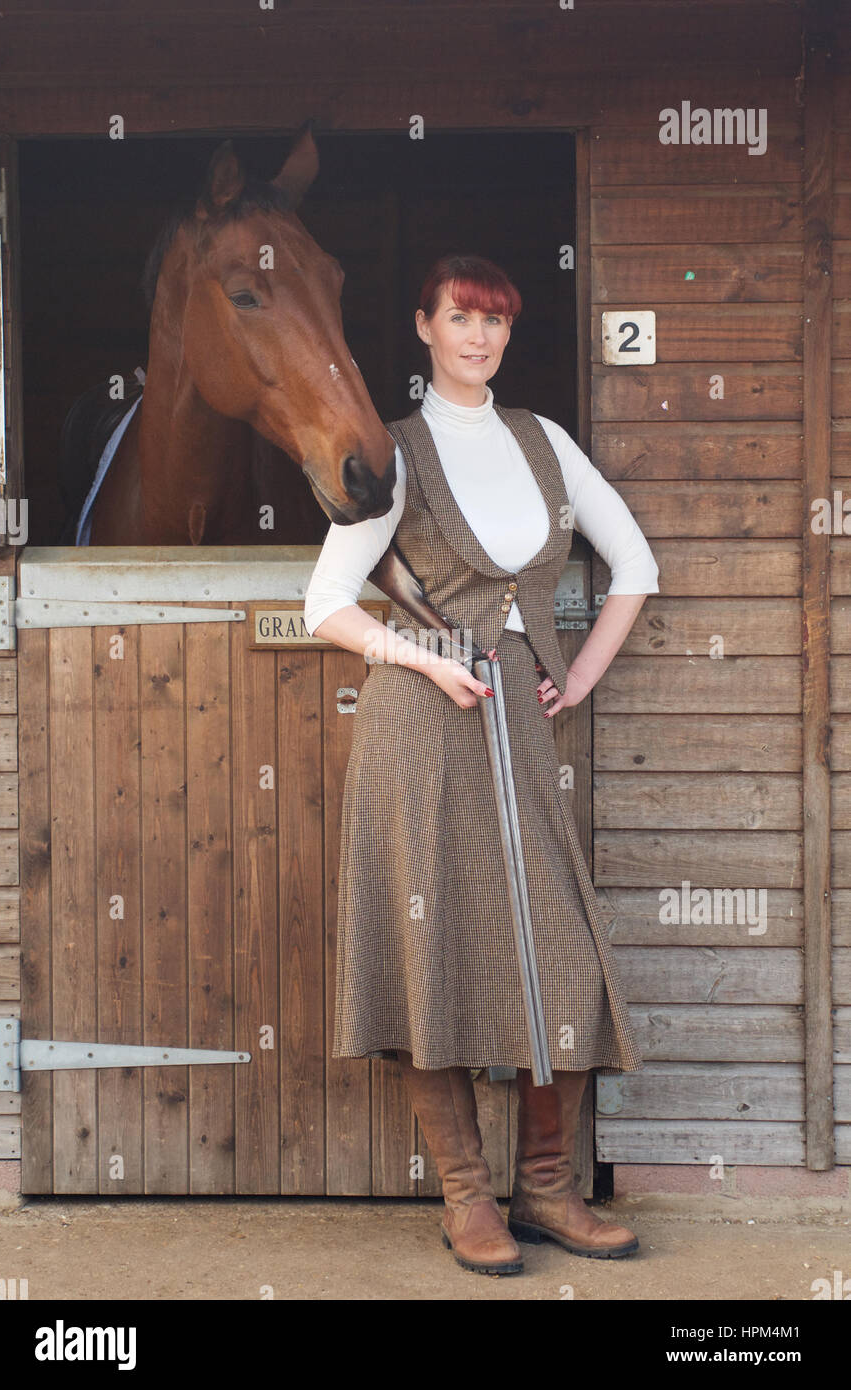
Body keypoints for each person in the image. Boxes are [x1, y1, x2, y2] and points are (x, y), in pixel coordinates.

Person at [304, 252, 659, 1276]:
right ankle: (468, 1199)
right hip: (419, 725)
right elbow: (323, 602)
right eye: (459, 318)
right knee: (436, 951)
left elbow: (634, 564)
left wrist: (577, 675)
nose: (478, 337)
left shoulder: (542, 443)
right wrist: (421, 657)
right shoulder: (397, 455)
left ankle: (545, 1188)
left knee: (560, 951)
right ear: (423, 326)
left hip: (523, 722)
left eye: (494, 321)